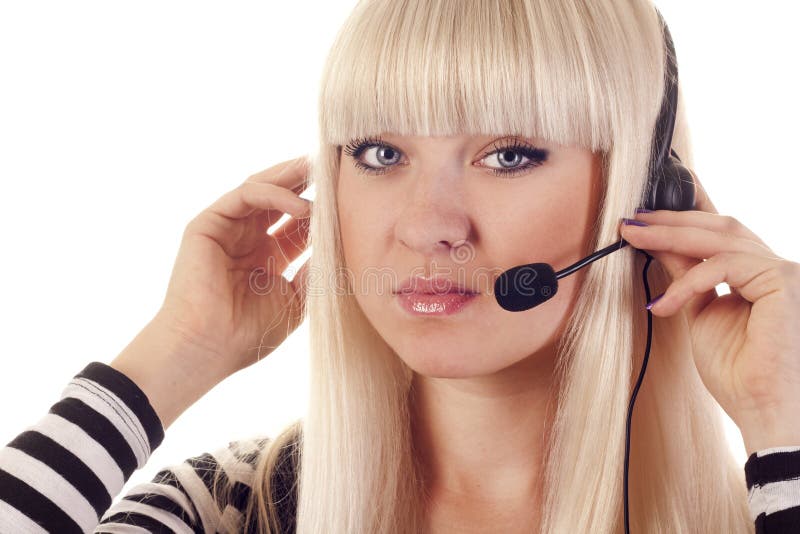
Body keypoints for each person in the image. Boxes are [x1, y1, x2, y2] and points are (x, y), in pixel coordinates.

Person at [1, 0, 799, 532]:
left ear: (649, 193)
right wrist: (175, 356)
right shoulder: (226, 511)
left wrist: (785, 425)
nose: (427, 226)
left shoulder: (763, 511)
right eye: (380, 152)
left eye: (509, 153)